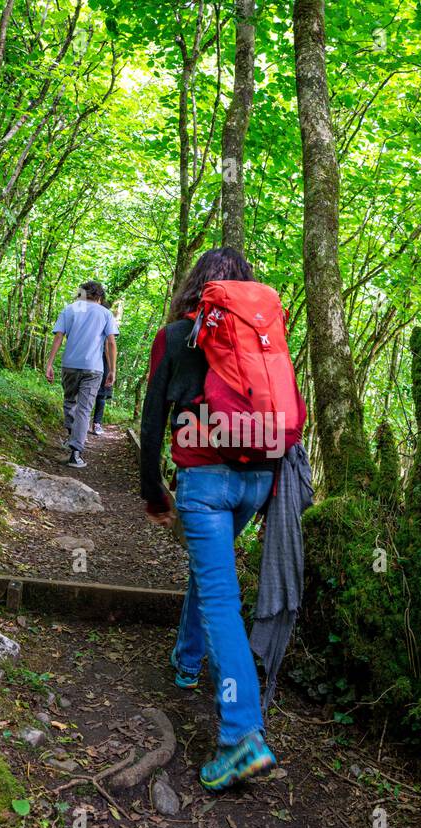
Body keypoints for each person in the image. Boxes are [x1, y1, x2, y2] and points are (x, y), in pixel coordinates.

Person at [139, 247, 306, 792]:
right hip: (259, 478)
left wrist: (152, 489)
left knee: (219, 599)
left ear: (198, 287)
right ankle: (187, 661)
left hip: (205, 483)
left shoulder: (177, 337)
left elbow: (153, 417)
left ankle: (241, 736)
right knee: (210, 577)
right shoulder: (261, 341)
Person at [46, 281, 117, 467]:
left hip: (69, 365)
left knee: (70, 402)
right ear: (100, 297)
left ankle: (72, 436)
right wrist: (112, 369)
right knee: (84, 409)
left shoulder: (69, 310)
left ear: (82, 294)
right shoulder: (106, 313)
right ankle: (75, 453)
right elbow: (111, 343)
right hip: (94, 368)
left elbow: (58, 337)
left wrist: (50, 363)